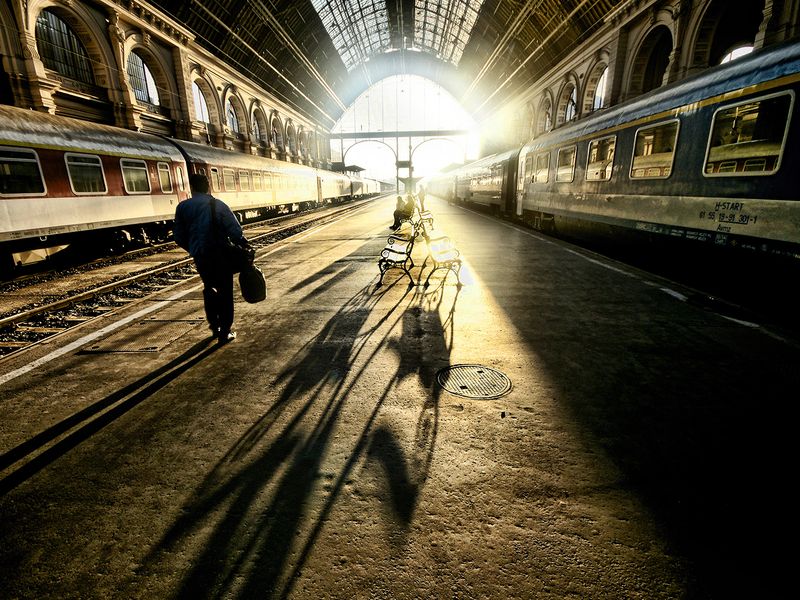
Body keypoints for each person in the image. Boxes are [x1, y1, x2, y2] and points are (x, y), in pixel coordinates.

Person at [173, 173, 246, 344]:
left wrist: (193, 248)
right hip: (221, 255)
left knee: (209, 288)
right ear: (208, 187)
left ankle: (214, 326)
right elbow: (235, 231)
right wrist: (241, 244)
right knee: (225, 292)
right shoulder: (218, 205)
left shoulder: (182, 207)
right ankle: (225, 332)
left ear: (192, 188)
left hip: (201, 257)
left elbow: (178, 236)